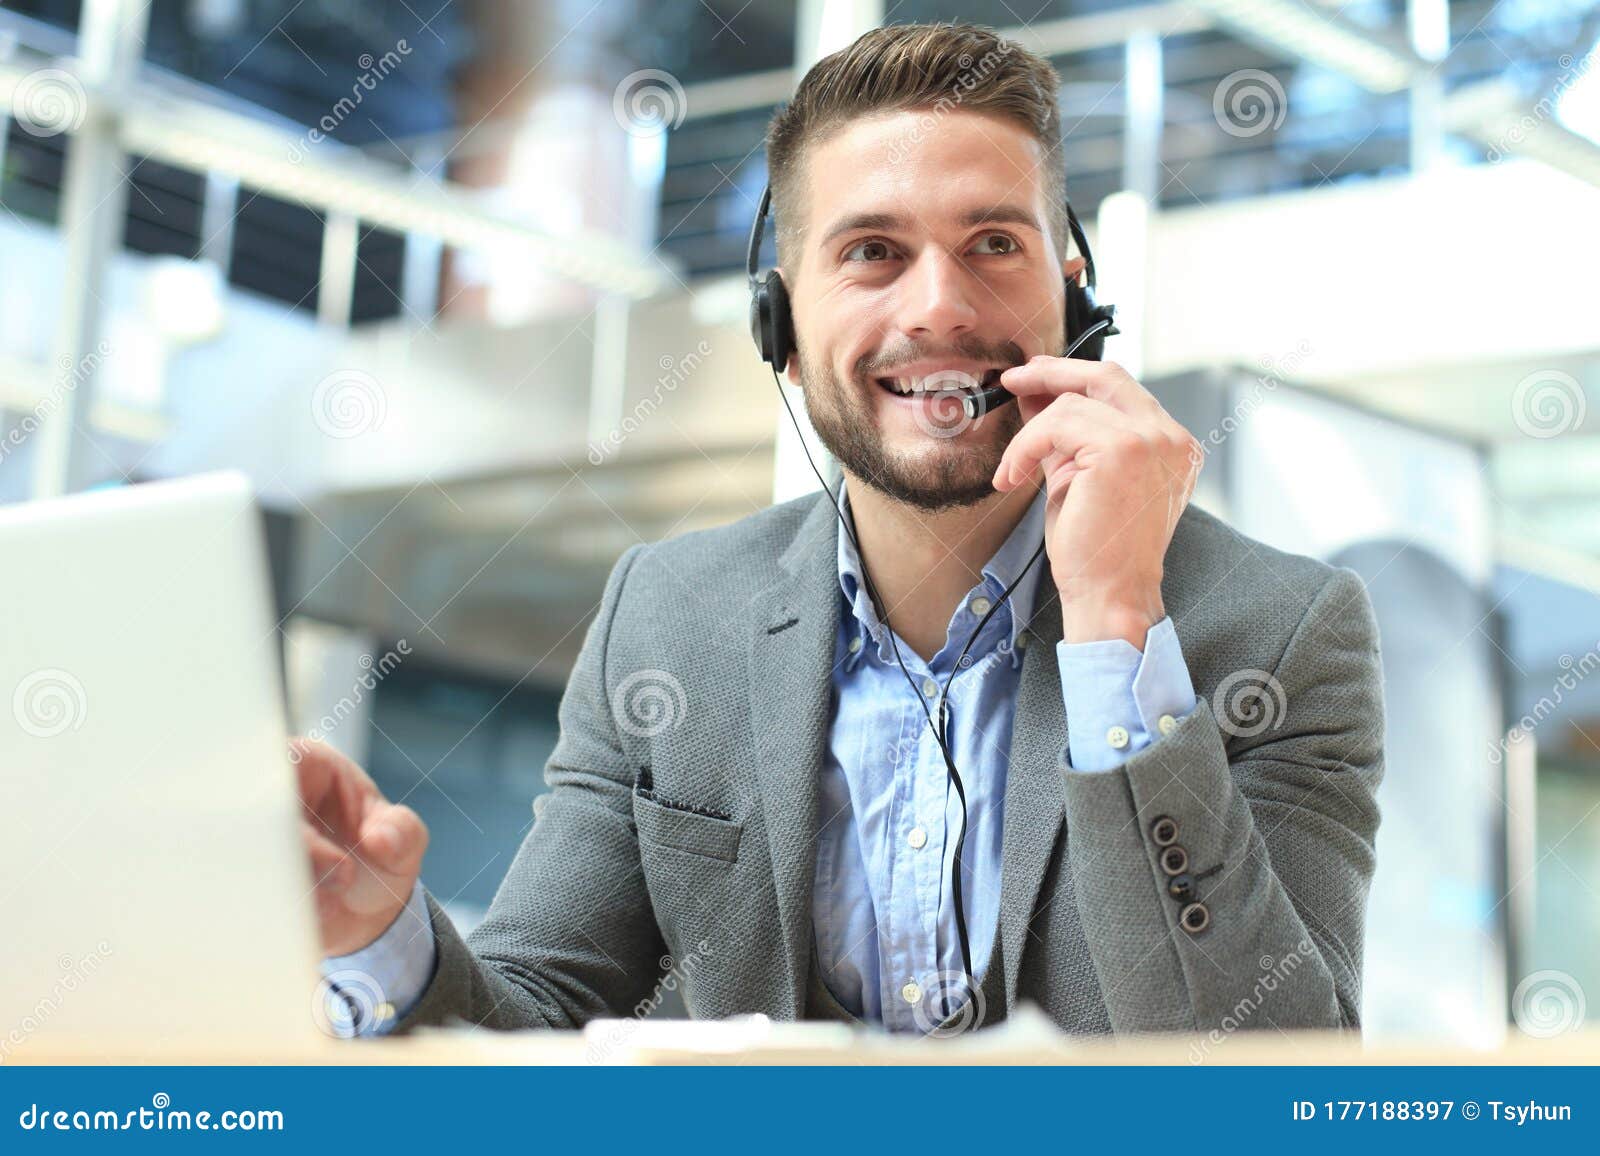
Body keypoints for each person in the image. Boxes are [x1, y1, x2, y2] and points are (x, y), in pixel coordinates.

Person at [296, 22, 1385, 1038]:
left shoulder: (1279, 632)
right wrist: (380, 938)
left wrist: (1115, 628)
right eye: (871, 251)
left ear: (1075, 302)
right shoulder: (667, 621)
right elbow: (541, 1018)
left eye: (993, 243)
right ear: (780, 319)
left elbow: (1276, 1077)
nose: (937, 308)